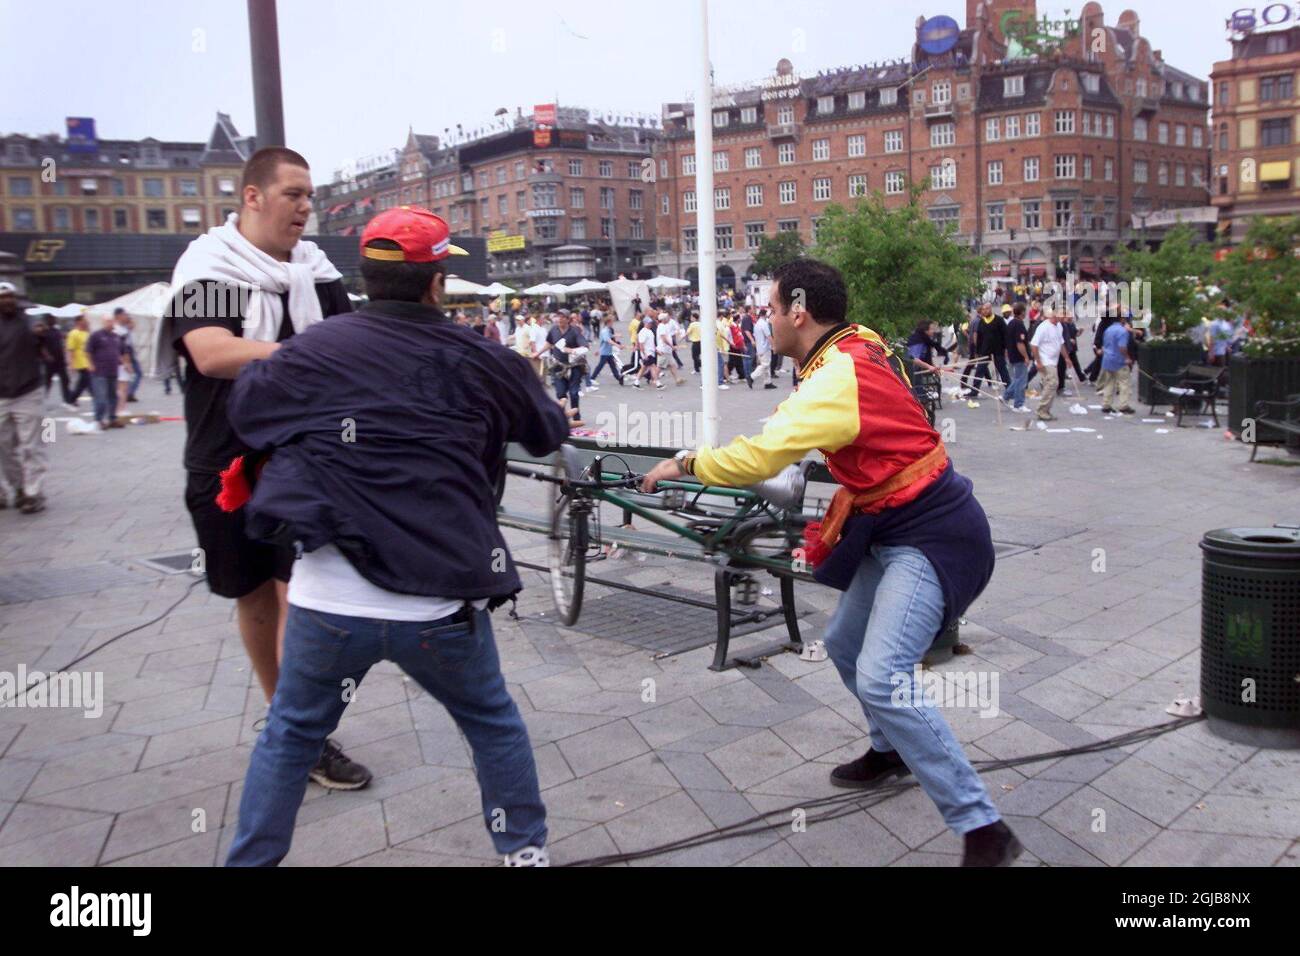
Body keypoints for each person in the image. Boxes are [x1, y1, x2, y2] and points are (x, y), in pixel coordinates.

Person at [639, 259, 1017, 866]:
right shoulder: (855, 342)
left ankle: (983, 827)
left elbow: (760, 456)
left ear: (797, 309)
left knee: (883, 675)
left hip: (936, 535)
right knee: (844, 645)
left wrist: (683, 463)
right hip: (892, 526)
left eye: (769, 307)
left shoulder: (836, 376)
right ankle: (890, 749)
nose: (764, 318)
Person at [223, 205, 568, 867]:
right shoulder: (483, 357)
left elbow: (249, 411)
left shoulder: (312, 349)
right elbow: (546, 432)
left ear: (366, 280)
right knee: (491, 723)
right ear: (437, 284)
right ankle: (523, 854)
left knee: (289, 734)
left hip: (327, 603)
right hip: (439, 603)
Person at [156, 145, 370, 790]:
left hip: (305, 463)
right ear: (252, 197)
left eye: (311, 196)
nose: (307, 208)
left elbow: (354, 344)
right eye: (293, 194)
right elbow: (212, 352)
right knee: (253, 594)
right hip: (225, 462)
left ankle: (303, 731)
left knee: (301, 593)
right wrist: (304, 356)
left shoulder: (318, 270)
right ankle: (289, 720)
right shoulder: (208, 265)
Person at [0, 282, 49, 513]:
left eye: (10, 297)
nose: (7, 301)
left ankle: (33, 492)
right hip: (2, 394)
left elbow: (44, 340)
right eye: (2, 298)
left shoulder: (28, 320)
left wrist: (41, 334)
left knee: (31, 446)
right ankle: (17, 487)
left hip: (28, 391)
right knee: (4, 447)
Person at [540, 310, 587, 421]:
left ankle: (576, 417)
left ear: (567, 319)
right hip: (558, 366)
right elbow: (549, 343)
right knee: (561, 394)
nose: (559, 319)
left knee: (574, 393)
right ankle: (563, 417)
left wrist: (570, 350)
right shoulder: (553, 330)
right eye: (558, 317)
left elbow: (585, 347)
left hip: (574, 365)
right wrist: (538, 353)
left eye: (562, 317)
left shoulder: (575, 331)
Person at [87, 314, 123, 430]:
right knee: (101, 398)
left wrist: (122, 362)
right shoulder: (96, 335)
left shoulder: (116, 337)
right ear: (103, 322)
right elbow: (88, 351)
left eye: (112, 321)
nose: (110, 323)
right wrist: (91, 364)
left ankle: (112, 418)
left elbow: (120, 351)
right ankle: (99, 419)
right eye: (108, 321)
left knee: (113, 397)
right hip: (99, 371)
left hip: (113, 371)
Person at [1030, 305, 1065, 421]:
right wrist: (1038, 362)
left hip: (1053, 360)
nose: (1064, 316)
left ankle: (1045, 410)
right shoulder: (1043, 327)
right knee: (1053, 383)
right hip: (1045, 360)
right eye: (1062, 314)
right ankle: (1042, 410)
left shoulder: (1059, 326)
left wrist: (1067, 358)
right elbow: (1034, 345)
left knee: (1050, 384)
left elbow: (1061, 343)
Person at [1098, 315, 1136, 414]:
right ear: (1122, 319)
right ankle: (1123, 405)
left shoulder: (1108, 329)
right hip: (1119, 360)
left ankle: (1106, 404)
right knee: (1124, 383)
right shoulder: (1123, 331)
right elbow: (1122, 347)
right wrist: (1127, 357)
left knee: (1109, 383)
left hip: (1107, 359)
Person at [35, 315, 75, 409]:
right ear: (47, 321)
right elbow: (41, 347)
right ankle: (44, 399)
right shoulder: (44, 332)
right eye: (51, 319)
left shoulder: (56, 331)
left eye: (53, 319)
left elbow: (62, 341)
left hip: (60, 360)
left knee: (65, 379)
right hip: (50, 361)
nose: (53, 321)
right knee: (47, 381)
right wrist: (47, 356)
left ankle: (67, 399)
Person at [1003, 303, 1031, 413]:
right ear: (1022, 312)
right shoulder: (1019, 324)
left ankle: (1005, 396)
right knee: (1021, 380)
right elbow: (1020, 343)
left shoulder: (1011, 323)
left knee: (1017, 379)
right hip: (1019, 356)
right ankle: (1018, 404)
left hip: (1012, 355)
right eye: (1025, 311)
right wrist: (1026, 356)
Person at [64, 314, 92, 405]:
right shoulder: (73, 333)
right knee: (85, 381)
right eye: (84, 320)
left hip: (88, 361)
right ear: (78, 321)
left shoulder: (86, 333)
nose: (86, 322)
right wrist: (70, 363)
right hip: (80, 362)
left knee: (85, 382)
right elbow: (70, 349)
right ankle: (72, 399)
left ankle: (71, 399)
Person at [591, 314, 624, 385]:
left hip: (608, 352)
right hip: (605, 352)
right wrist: (618, 345)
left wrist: (616, 335)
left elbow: (609, 337)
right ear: (609, 322)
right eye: (612, 322)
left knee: (612, 366)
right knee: (601, 366)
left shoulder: (607, 330)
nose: (613, 323)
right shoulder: (605, 331)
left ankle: (619, 378)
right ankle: (592, 378)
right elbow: (608, 340)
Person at [656, 311, 686, 386]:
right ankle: (655, 380)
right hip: (664, 350)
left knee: (672, 365)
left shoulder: (664, 326)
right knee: (659, 366)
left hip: (667, 350)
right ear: (663, 319)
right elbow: (664, 339)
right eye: (666, 318)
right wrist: (671, 346)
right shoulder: (662, 327)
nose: (667, 318)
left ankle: (677, 379)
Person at [753, 309, 776, 389]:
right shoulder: (764, 324)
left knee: (766, 365)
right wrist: (774, 346)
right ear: (765, 314)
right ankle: (752, 377)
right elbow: (768, 336)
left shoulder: (757, 324)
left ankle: (768, 382)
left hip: (759, 347)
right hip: (765, 347)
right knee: (765, 365)